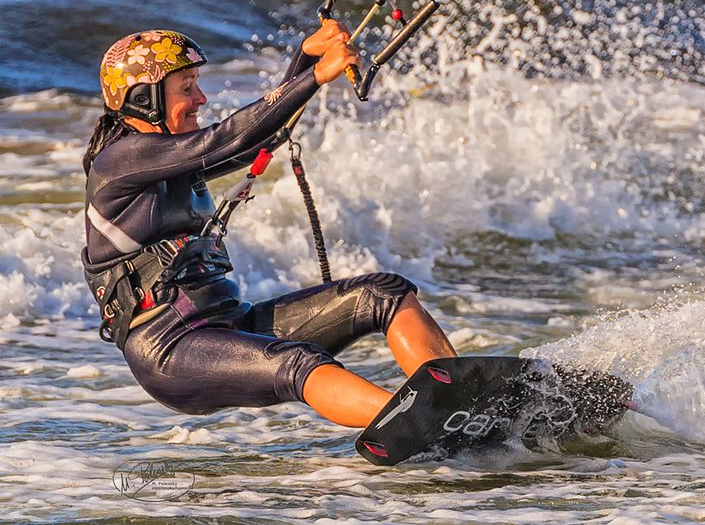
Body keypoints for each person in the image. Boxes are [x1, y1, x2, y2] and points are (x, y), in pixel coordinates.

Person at [81, 23, 457, 428]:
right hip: (172, 346)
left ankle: (460, 399)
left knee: (382, 293)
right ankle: (423, 424)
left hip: (231, 324)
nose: (201, 99)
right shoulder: (121, 160)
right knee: (298, 361)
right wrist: (315, 75)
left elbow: (263, 136)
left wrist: (306, 57)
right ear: (144, 99)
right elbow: (223, 141)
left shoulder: (171, 158)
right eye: (186, 88)